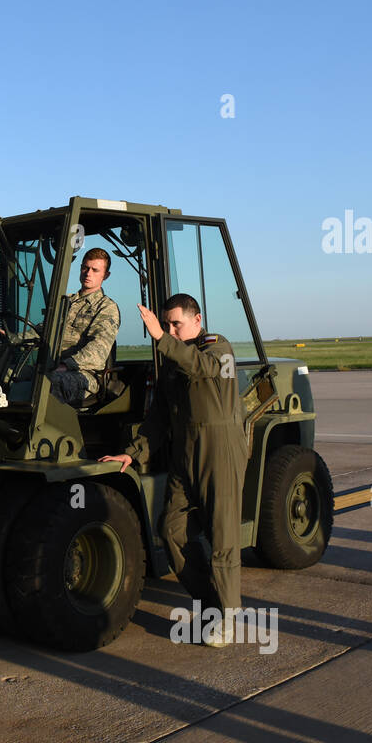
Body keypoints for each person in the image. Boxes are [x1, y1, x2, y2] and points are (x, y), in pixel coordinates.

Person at [99, 292, 246, 646]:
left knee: (223, 538)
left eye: (176, 324)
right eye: (166, 325)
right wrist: (132, 454)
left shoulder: (218, 349)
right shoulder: (172, 362)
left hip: (220, 451)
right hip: (185, 454)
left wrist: (163, 340)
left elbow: (203, 367)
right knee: (172, 530)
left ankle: (228, 619)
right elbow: (159, 418)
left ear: (197, 320)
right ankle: (211, 604)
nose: (170, 330)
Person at [48, 248, 120, 406]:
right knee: (6, 374)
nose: (88, 273)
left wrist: (66, 364)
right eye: (85, 268)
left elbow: (97, 350)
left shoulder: (106, 308)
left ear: (105, 275)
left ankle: (48, 428)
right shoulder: (65, 302)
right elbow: (44, 330)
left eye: (95, 270)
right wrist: (14, 337)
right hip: (54, 365)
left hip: (85, 374)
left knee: (48, 382)